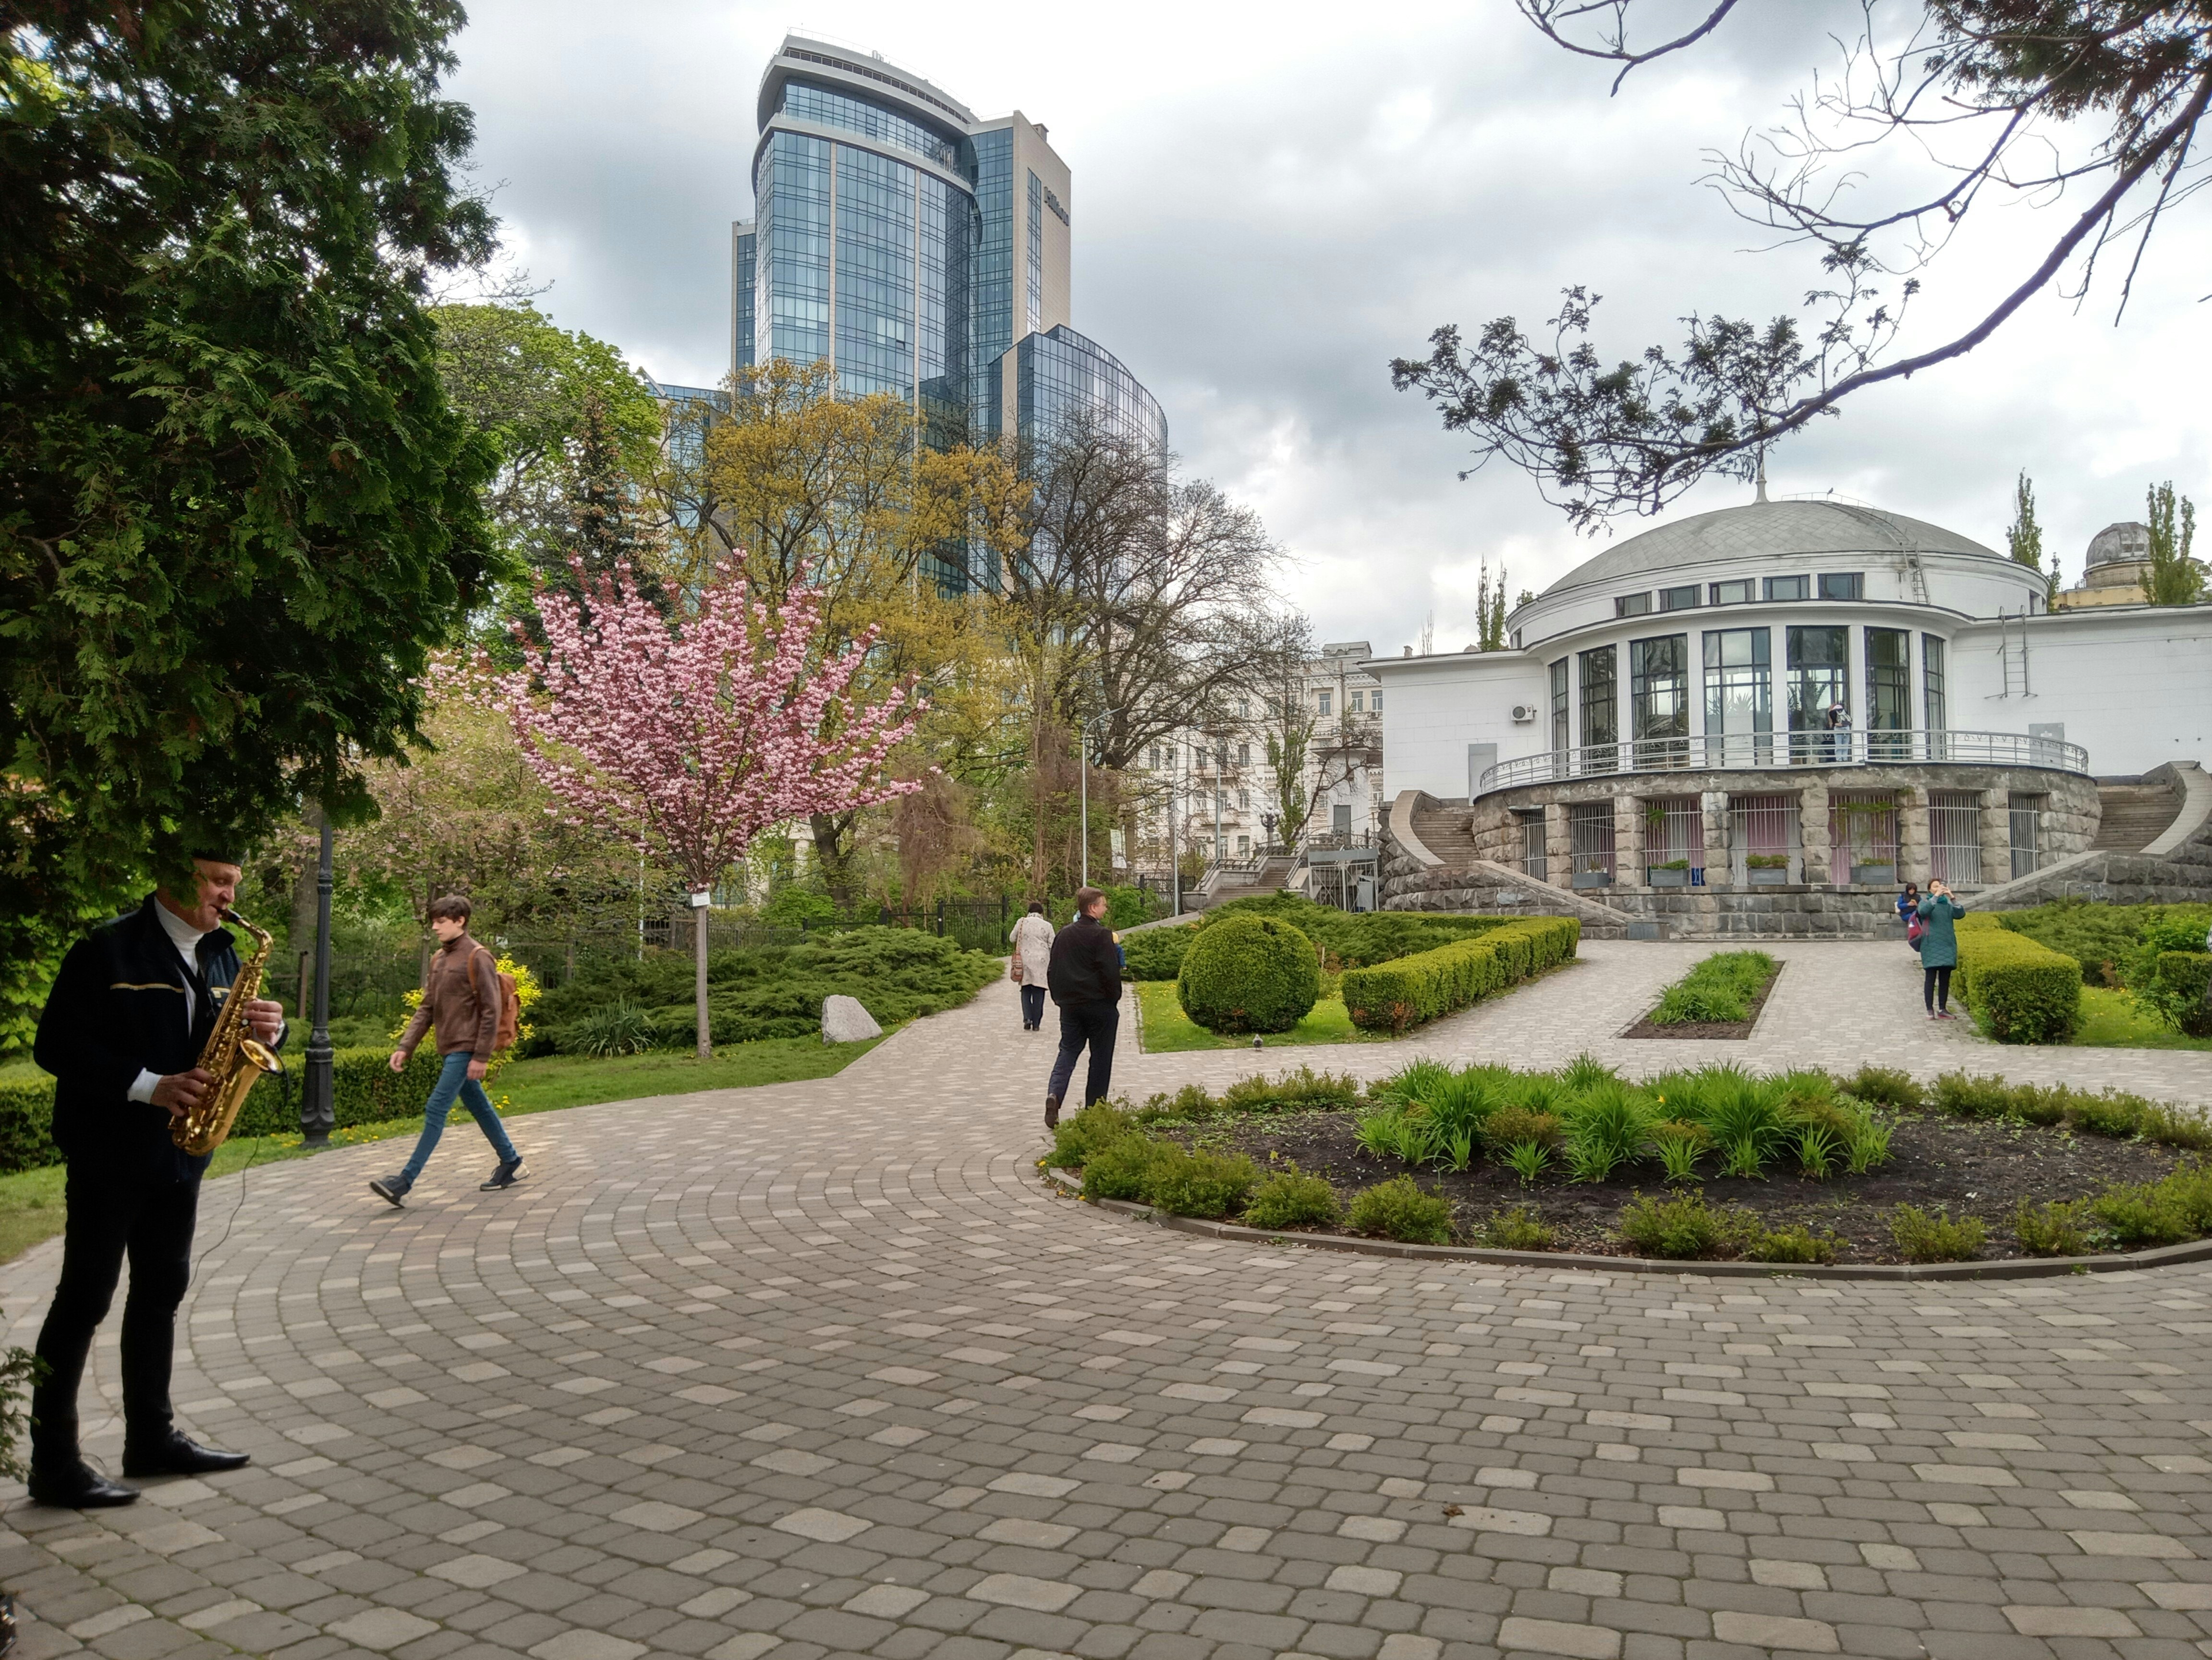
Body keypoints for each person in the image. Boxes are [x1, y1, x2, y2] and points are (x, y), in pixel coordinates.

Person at [27, 854, 279, 1507]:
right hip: (109, 1151)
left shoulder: (224, 954)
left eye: (233, 884)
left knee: (162, 1291)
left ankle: (152, 1440)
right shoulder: (105, 948)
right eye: (217, 881)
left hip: (182, 1154)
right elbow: (55, 1046)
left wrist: (271, 1031)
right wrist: (150, 1086)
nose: (228, 896)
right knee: (84, 1299)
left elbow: (225, 1045)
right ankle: (53, 1464)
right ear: (173, 878)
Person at [370, 896, 523, 1207]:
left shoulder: (478, 957)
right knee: (479, 1106)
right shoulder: (440, 959)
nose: (435, 926)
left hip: (466, 1048)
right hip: (449, 1046)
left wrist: (481, 1056)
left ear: (460, 921)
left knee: (436, 1108)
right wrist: (406, 1047)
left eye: (441, 921)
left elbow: (491, 1011)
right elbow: (427, 1007)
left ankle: (403, 1181)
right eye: (434, 920)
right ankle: (511, 1162)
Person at [1044, 887, 1121, 1130]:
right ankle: (1094, 1111)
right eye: (1103, 905)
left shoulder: (1064, 935)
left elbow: (1052, 969)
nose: (1105, 909)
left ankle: (1055, 1095)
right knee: (1100, 1058)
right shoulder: (1102, 936)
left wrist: (1059, 999)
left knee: (1067, 1051)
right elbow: (1110, 971)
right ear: (1092, 908)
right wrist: (1113, 999)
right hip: (1100, 1006)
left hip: (1071, 1007)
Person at [1917, 879, 1967, 1019]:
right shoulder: (1925, 902)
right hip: (1931, 944)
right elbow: (1924, 912)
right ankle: (1929, 1010)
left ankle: (1943, 1009)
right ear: (1929, 890)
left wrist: (1952, 897)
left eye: (1941, 886)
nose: (1939, 888)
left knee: (1945, 979)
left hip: (1947, 944)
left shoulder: (1948, 905)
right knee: (1930, 978)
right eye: (1935, 887)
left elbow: (1960, 914)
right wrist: (1937, 896)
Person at [1009, 902, 1055, 1032]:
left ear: (1029, 911)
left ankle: (1027, 1018)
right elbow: (1053, 944)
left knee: (1026, 989)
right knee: (1039, 991)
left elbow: (1012, 938)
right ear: (1042, 913)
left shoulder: (1022, 922)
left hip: (1024, 960)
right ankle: (1037, 1023)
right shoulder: (1048, 926)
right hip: (1042, 961)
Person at [1897, 882, 1923, 953]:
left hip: (1914, 914)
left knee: (1915, 916)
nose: (1912, 892)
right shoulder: (1903, 896)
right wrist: (1908, 904)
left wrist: (1916, 905)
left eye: (1913, 890)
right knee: (1913, 917)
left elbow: (1922, 906)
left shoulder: (1918, 897)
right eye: (1910, 890)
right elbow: (1899, 905)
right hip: (1905, 914)